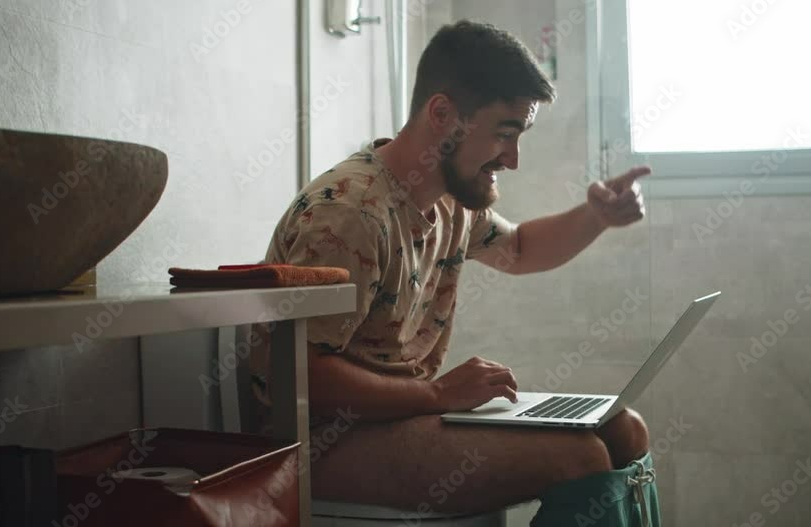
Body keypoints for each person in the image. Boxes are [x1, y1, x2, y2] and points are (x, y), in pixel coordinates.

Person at [249, 19, 658, 525]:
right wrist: (437, 394)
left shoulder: (450, 201)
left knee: (626, 430)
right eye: (504, 135)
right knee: (580, 458)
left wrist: (597, 216)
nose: (513, 159)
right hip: (318, 442)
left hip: (399, 418)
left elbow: (520, 249)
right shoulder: (351, 213)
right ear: (442, 114)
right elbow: (302, 373)